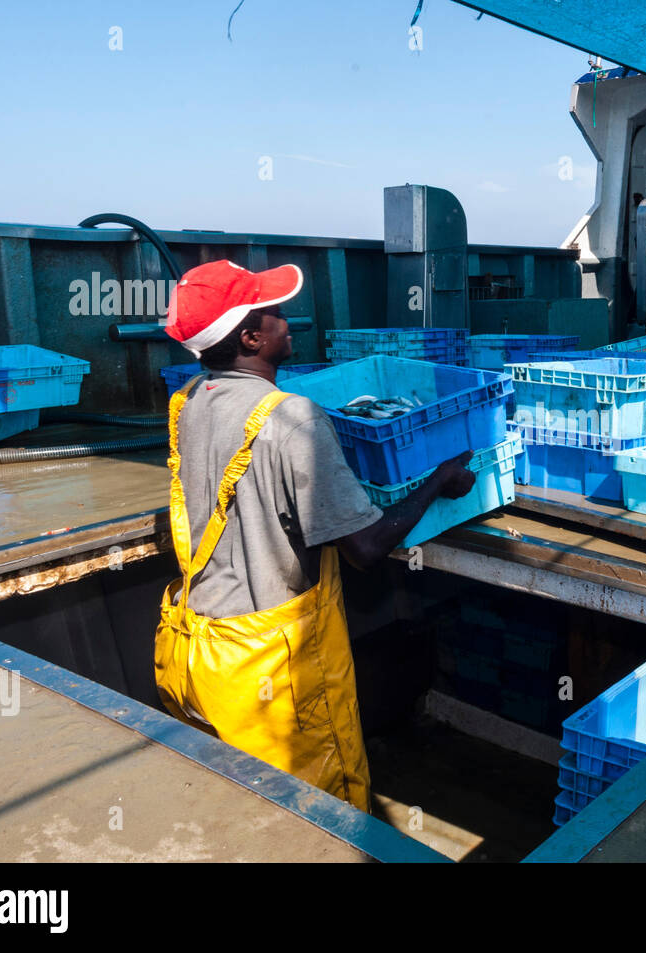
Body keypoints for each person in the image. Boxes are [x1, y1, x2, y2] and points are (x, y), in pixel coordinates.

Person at [154, 258, 474, 814]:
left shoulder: (188, 402)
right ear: (251, 337)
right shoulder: (291, 417)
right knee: (319, 812)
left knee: (249, 806)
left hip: (200, 650)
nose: (288, 323)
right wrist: (437, 483)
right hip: (275, 667)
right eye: (274, 315)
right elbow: (367, 549)